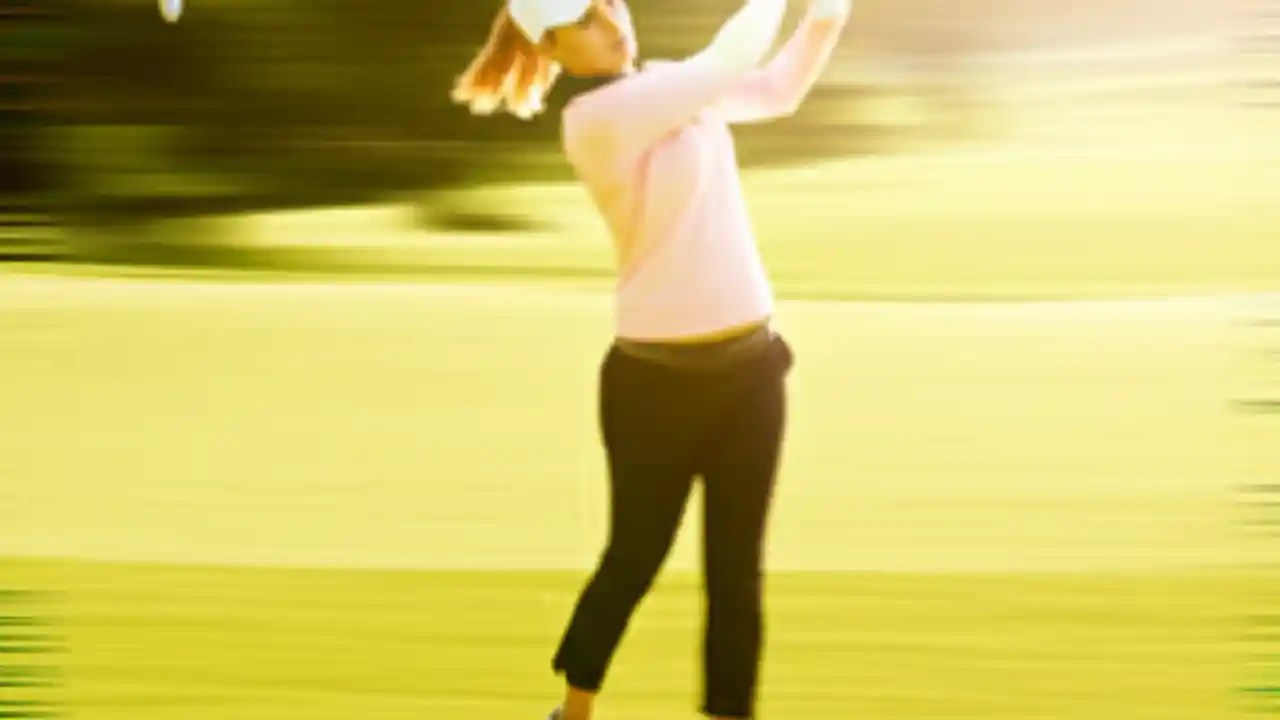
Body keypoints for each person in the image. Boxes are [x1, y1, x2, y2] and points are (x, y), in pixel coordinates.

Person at [452, 0, 851, 717]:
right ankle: (572, 711)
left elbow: (777, 90)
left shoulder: (674, 83)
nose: (613, 24)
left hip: (753, 370)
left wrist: (825, 17)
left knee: (738, 574)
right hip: (654, 387)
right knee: (634, 557)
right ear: (552, 49)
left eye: (611, 6)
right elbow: (731, 60)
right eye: (589, 21)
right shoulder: (595, 121)